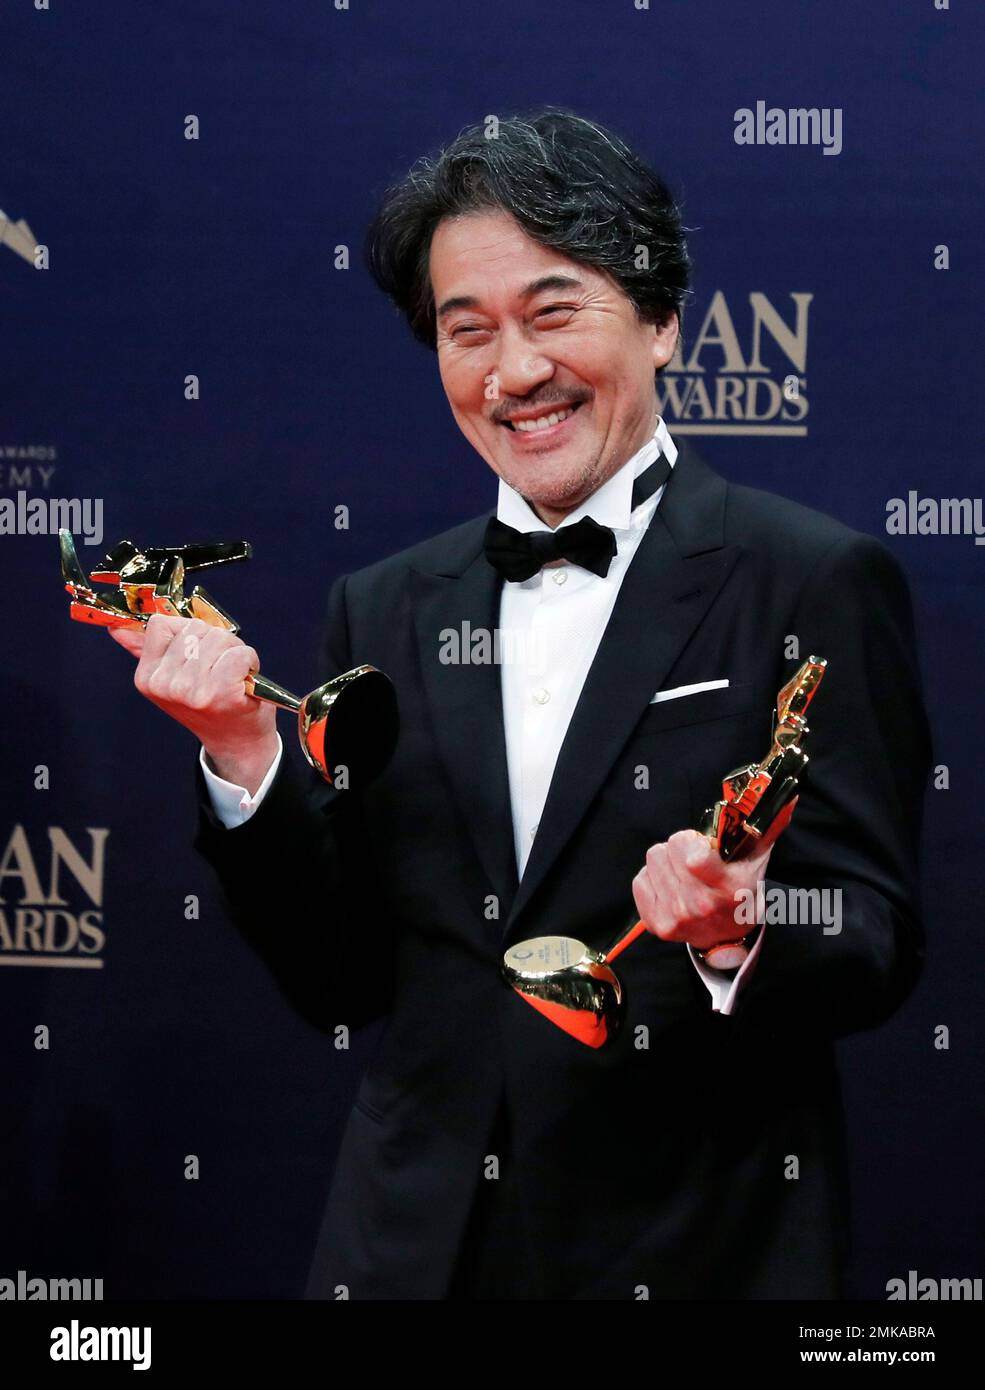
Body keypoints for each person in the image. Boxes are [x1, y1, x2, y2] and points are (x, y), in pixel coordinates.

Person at [109, 109, 933, 1299]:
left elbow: (876, 936)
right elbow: (337, 977)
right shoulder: (381, 605)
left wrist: (740, 926)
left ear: (660, 321)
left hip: (696, 1249)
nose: (513, 373)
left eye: (555, 312)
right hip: (407, 1248)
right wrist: (242, 754)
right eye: (466, 331)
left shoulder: (809, 577)